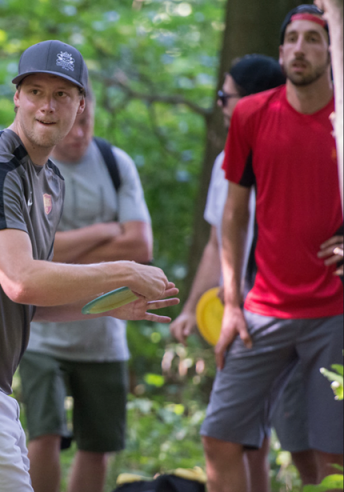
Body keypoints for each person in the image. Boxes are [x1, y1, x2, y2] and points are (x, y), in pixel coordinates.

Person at [0, 40, 179, 492]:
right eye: (36, 92)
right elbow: (21, 281)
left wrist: (104, 305)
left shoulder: (48, 179)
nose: (48, 106)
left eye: (62, 95)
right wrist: (123, 271)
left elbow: (30, 302)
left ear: (81, 104)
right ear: (17, 97)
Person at [199, 7, 344, 491]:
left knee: (332, 461)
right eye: (292, 40)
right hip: (263, 309)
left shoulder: (343, 118)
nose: (300, 48)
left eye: (313, 39)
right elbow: (234, 216)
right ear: (280, 52)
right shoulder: (250, 115)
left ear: (332, 51)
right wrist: (232, 301)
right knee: (219, 436)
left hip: (335, 311)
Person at [170, 55, 318, 489]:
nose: (220, 106)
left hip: (301, 310)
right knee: (239, 433)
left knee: (303, 437)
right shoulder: (223, 165)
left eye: (225, 97)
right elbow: (219, 245)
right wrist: (193, 306)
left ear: (253, 102)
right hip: (245, 312)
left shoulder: (307, 150)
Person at [20, 73, 153, 492]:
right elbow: (32, 255)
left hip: (104, 333)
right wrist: (103, 232)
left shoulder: (116, 164)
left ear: (84, 109)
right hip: (41, 331)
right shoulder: (31, 167)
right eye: (71, 124)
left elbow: (141, 245)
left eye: (86, 121)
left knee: (99, 443)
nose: (78, 133)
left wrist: (63, 250)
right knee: (44, 435)